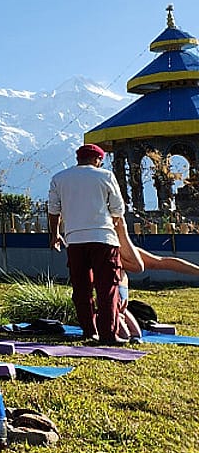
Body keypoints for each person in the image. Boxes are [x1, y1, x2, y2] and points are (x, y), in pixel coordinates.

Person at [47, 144, 137, 345]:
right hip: (103, 239)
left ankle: (89, 330)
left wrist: (55, 235)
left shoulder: (59, 178)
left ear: (78, 158)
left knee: (81, 288)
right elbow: (117, 209)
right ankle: (108, 334)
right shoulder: (105, 176)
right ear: (98, 159)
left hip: (75, 240)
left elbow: (54, 211)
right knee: (107, 288)